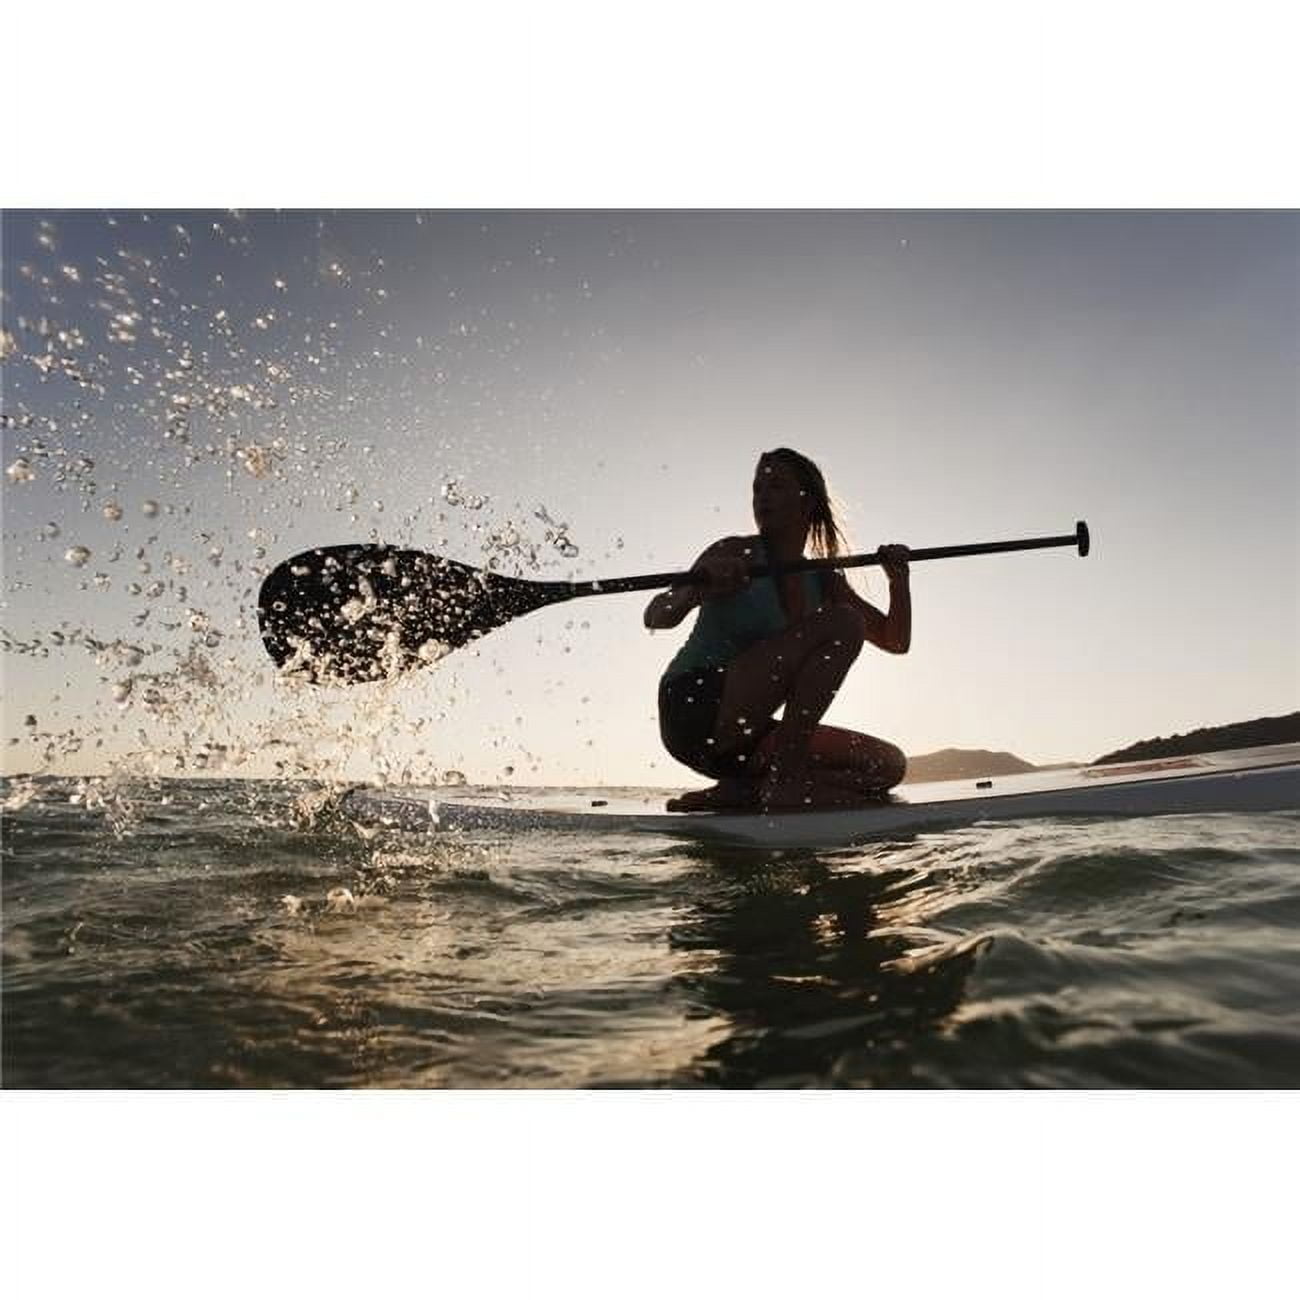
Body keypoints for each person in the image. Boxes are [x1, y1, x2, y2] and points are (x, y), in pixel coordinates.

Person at [645, 448, 911, 812]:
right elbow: (656, 614)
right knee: (844, 622)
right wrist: (696, 591)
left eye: (776, 486)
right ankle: (786, 780)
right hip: (692, 707)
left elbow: (895, 640)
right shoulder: (735, 552)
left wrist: (899, 580)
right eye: (757, 488)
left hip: (748, 737)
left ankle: (745, 790)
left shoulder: (825, 579)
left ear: (808, 502)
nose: (762, 497)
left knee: (888, 766)